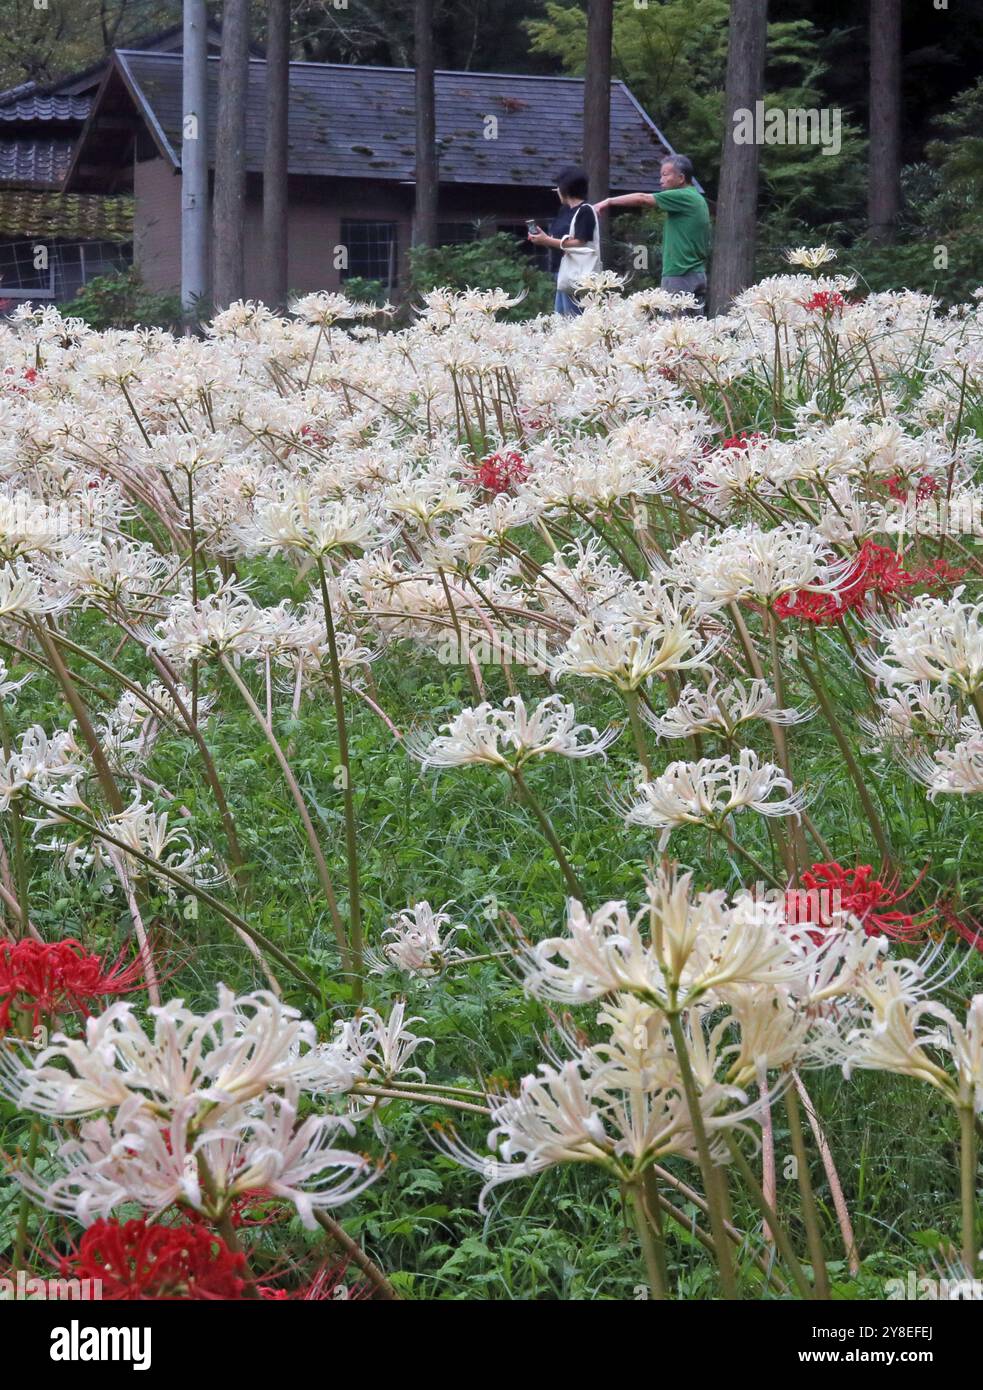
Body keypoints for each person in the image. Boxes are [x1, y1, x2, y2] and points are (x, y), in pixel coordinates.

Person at [594, 155, 710, 311]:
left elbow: (642, 199)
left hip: (680, 274)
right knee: (695, 328)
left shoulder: (684, 196)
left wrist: (608, 202)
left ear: (681, 178)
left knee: (674, 329)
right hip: (695, 273)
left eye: (665, 174)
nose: (660, 180)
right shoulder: (696, 198)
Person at [528, 166, 601, 316]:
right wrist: (543, 237)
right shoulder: (565, 210)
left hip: (579, 276)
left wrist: (547, 240)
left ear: (565, 188)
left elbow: (580, 242)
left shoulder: (585, 210)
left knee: (573, 321)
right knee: (561, 321)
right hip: (563, 273)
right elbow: (561, 238)